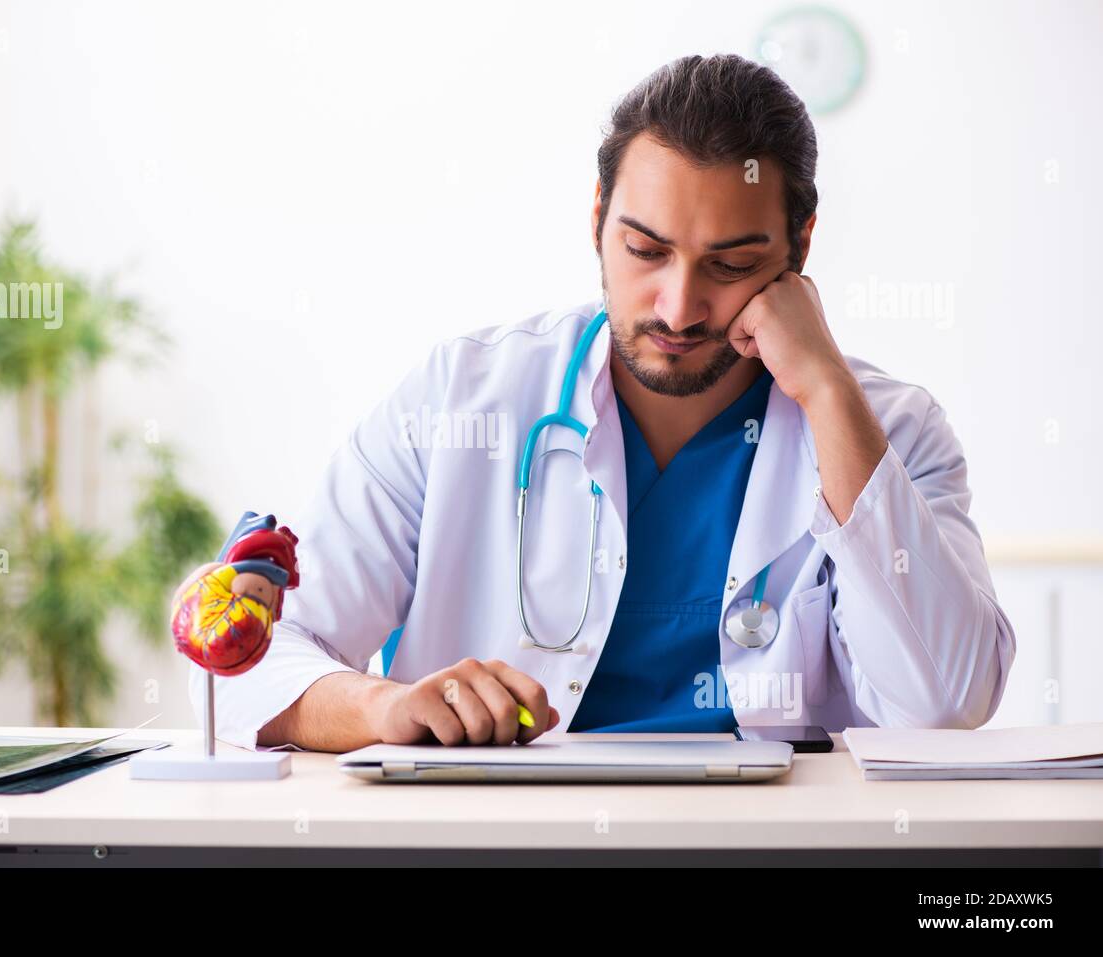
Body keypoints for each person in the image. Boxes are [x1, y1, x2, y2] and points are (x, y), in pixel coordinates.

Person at [182, 53, 1015, 752]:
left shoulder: (887, 429)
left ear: (799, 248)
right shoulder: (461, 399)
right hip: (498, 845)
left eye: (731, 263)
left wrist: (827, 390)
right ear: (596, 220)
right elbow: (241, 660)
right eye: (646, 249)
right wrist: (382, 708)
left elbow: (945, 701)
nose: (679, 307)